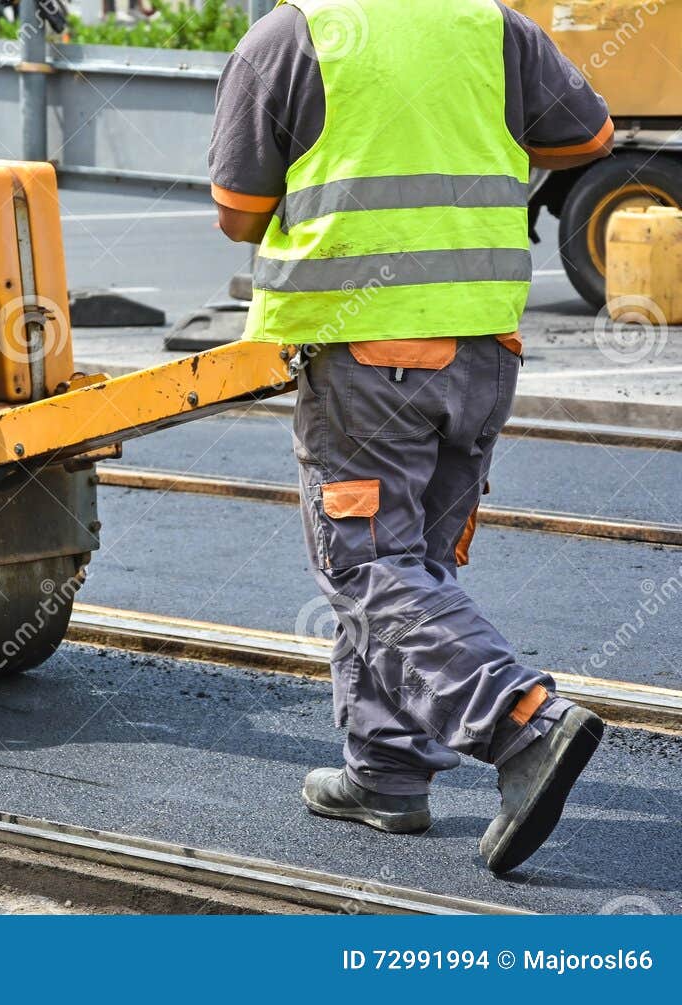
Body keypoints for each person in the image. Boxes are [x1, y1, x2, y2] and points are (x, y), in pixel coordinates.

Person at [206, 0, 614, 873]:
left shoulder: (291, 37)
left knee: (365, 565)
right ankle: (386, 773)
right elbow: (589, 136)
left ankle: (520, 722)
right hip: (484, 348)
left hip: (369, 355)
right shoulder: (493, 26)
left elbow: (239, 210)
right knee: (410, 565)